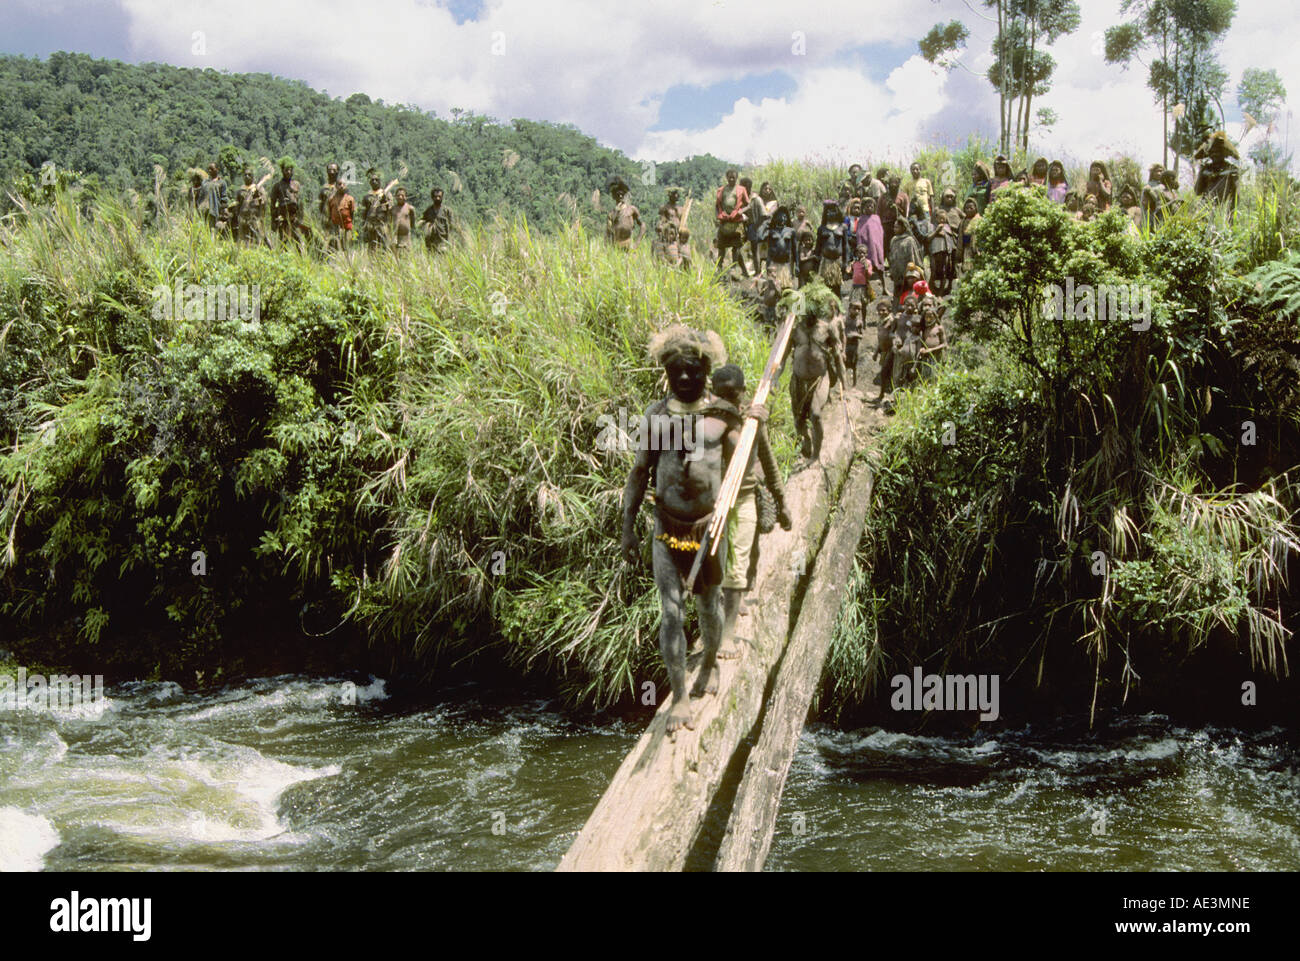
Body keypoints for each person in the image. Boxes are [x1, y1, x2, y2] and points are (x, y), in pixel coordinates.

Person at [621, 325, 735, 733]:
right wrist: (627, 529)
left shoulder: (722, 413)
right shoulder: (656, 416)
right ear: (666, 373)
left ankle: (709, 662)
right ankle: (680, 698)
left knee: (709, 605)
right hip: (666, 528)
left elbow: (745, 463)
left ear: (706, 370)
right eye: (676, 372)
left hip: (710, 528)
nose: (684, 379)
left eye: (692, 371)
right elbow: (639, 473)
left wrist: (756, 420)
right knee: (671, 612)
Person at [709, 365, 791, 655]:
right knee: (719, 566)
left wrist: (781, 501)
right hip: (715, 503)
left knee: (742, 561)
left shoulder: (753, 421)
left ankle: (728, 633)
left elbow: (767, 461)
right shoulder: (707, 420)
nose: (728, 400)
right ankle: (720, 620)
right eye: (722, 395)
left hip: (745, 497)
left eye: (733, 394)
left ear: (742, 392)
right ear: (712, 393)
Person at [781, 282, 845, 462]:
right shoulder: (794, 330)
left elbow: (838, 357)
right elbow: (782, 357)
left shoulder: (827, 328)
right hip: (798, 380)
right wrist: (775, 379)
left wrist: (844, 384)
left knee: (816, 415)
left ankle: (816, 456)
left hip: (819, 379)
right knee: (798, 422)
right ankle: (806, 439)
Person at [1193, 131, 1240, 214]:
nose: (1215, 155)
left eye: (1218, 152)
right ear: (1209, 154)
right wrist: (1202, 173)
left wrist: (1232, 214)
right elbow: (1197, 191)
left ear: (1224, 154)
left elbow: (1236, 195)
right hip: (1205, 210)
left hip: (1223, 211)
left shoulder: (1231, 169)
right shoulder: (1206, 169)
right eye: (1212, 152)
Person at [715, 169, 750, 278]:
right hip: (724, 222)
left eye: (733, 177)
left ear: (736, 178)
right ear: (726, 177)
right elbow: (717, 206)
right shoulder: (721, 190)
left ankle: (734, 269)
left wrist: (739, 212)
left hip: (736, 222)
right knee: (721, 247)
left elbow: (748, 205)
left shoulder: (741, 190)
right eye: (729, 177)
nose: (731, 179)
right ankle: (719, 269)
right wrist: (719, 215)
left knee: (736, 247)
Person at [929, 188, 962, 296]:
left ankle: (950, 285)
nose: (949, 199)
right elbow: (932, 225)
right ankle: (933, 286)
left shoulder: (957, 210)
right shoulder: (938, 210)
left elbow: (964, 220)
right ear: (943, 198)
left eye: (951, 197)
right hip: (939, 240)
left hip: (954, 239)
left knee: (951, 264)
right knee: (937, 265)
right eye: (947, 196)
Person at [761, 204, 799, 291]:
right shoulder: (771, 232)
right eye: (781, 216)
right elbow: (761, 237)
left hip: (785, 265)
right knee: (774, 289)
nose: (783, 218)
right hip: (774, 264)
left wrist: (797, 265)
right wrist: (765, 224)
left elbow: (795, 249)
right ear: (776, 217)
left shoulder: (791, 231)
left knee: (786, 289)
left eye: (785, 216)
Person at [269, 157, 304, 249]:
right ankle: (283, 259)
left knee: (298, 240)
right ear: (282, 171)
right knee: (283, 240)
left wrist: (300, 219)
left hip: (294, 217)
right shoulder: (277, 186)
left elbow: (300, 203)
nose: (288, 172)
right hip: (283, 218)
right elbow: (272, 204)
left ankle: (300, 260)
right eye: (286, 170)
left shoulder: (296, 184)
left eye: (290, 170)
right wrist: (274, 219)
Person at [747, 181, 778, 276]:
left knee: (769, 254)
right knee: (756, 252)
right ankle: (757, 272)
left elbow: (769, 214)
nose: (767, 191)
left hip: (768, 229)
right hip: (757, 228)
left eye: (769, 189)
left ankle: (769, 274)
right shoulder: (756, 200)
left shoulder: (774, 203)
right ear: (761, 190)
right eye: (765, 189)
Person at [232, 165, 267, 247]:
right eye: (245, 175)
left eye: (249, 175)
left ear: (253, 177)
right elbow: (237, 205)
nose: (247, 177)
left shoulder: (258, 189)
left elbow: (264, 202)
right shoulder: (240, 190)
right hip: (242, 219)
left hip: (254, 218)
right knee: (243, 239)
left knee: (256, 237)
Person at [888, 220, 923, 301]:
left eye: (897, 227)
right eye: (894, 227)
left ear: (903, 228)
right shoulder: (893, 240)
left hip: (906, 271)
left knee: (907, 292)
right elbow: (891, 255)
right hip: (897, 271)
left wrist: (911, 271)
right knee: (897, 291)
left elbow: (912, 256)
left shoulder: (909, 240)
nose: (894, 229)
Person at [360, 168, 393, 250]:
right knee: (372, 249)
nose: (374, 181)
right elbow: (364, 214)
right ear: (370, 182)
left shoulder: (386, 194)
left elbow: (391, 211)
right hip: (371, 227)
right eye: (372, 180)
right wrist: (364, 228)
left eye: (376, 179)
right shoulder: (367, 196)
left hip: (383, 226)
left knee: (384, 248)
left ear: (380, 181)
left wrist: (385, 199)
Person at [421, 187, 454, 253]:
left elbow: (452, 226)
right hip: (431, 243)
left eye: (439, 196)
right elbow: (423, 222)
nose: (437, 198)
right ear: (432, 197)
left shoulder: (447, 211)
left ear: (442, 197)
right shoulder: (428, 210)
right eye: (435, 196)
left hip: (444, 242)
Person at [199, 162, 228, 232]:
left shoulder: (221, 183)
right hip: (204, 210)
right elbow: (200, 196)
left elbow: (224, 198)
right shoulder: (205, 182)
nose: (209, 171)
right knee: (203, 229)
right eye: (209, 169)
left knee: (213, 230)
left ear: (217, 169)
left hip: (214, 211)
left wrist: (223, 212)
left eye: (212, 169)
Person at [328, 177, 355, 249]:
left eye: (344, 184)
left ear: (346, 186)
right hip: (335, 228)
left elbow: (352, 213)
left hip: (347, 228)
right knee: (335, 247)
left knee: (347, 247)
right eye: (339, 184)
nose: (342, 186)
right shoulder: (331, 199)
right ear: (336, 186)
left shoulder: (350, 199)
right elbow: (329, 212)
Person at [958, 197, 981, 274]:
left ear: (976, 208)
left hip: (976, 249)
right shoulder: (962, 222)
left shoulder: (980, 220)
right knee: (967, 269)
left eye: (971, 208)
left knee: (977, 268)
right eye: (967, 208)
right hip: (966, 248)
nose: (969, 210)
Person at [391, 187, 417, 252]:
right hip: (395, 237)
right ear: (395, 197)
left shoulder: (410, 208)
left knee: (407, 256)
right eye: (398, 195)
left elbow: (413, 222)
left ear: (406, 197)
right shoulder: (392, 209)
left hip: (406, 237)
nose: (400, 197)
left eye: (402, 195)